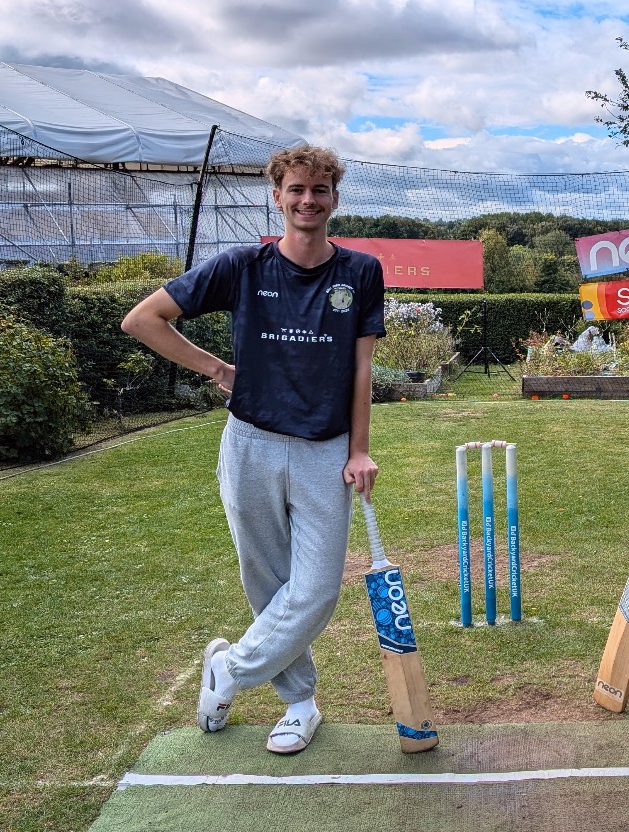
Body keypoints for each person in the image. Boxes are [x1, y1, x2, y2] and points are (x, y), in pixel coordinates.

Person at [121, 145, 384, 755]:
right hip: (251, 445)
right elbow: (143, 319)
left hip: (326, 449)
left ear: (334, 199)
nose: (307, 201)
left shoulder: (361, 271)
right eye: (296, 190)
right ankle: (300, 703)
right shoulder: (241, 266)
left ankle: (230, 671)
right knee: (268, 581)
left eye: (319, 191)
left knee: (316, 590)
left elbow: (362, 370)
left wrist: (360, 449)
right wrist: (215, 367)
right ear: (278, 196)